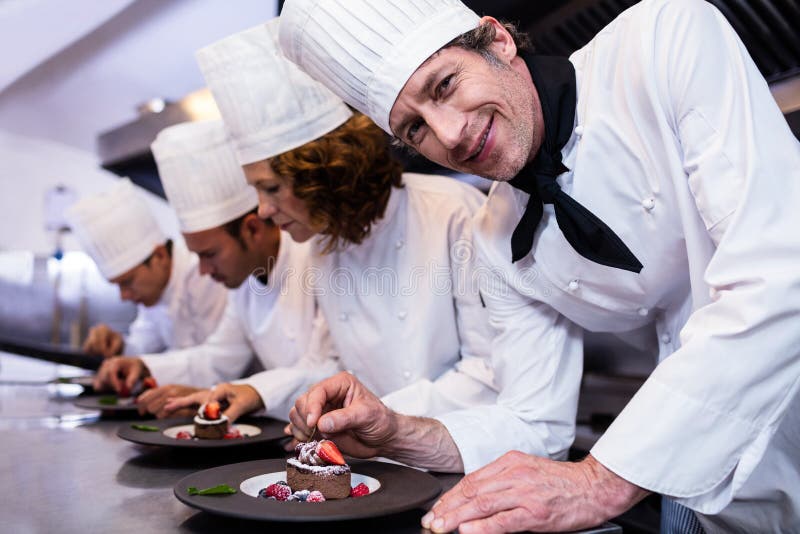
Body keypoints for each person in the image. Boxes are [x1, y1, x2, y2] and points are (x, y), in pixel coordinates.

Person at [278, 0, 800, 532]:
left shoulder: (663, 39)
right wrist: (395, 431)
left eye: (444, 85)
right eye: (415, 130)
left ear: (497, 40)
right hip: (700, 465)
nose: (450, 134)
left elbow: (780, 273)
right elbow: (533, 420)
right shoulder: (494, 236)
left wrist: (599, 480)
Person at [166, 19, 498, 437]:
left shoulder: (452, 212)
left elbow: (487, 372)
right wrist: (257, 391)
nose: (264, 211)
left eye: (270, 188)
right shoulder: (325, 247)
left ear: (323, 173)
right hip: (375, 461)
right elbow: (328, 364)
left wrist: (379, 419)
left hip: (458, 455)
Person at [93, 119, 337, 419]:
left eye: (210, 254)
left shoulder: (318, 256)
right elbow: (219, 358)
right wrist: (145, 365)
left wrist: (251, 392)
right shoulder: (244, 283)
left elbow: (328, 369)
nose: (204, 270)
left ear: (252, 230)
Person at [67, 178, 226, 358]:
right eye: (118, 285)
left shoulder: (205, 272)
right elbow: (143, 348)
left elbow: (216, 361)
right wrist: (119, 347)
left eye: (127, 282)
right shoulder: (153, 294)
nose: (123, 296)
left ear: (159, 256)